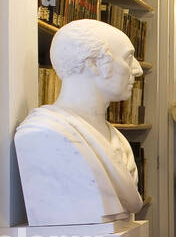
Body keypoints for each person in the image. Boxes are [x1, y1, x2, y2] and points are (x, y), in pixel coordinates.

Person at [14, 20, 145, 225]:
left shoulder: (117, 140)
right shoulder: (43, 133)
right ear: (93, 63)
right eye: (128, 58)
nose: (137, 70)